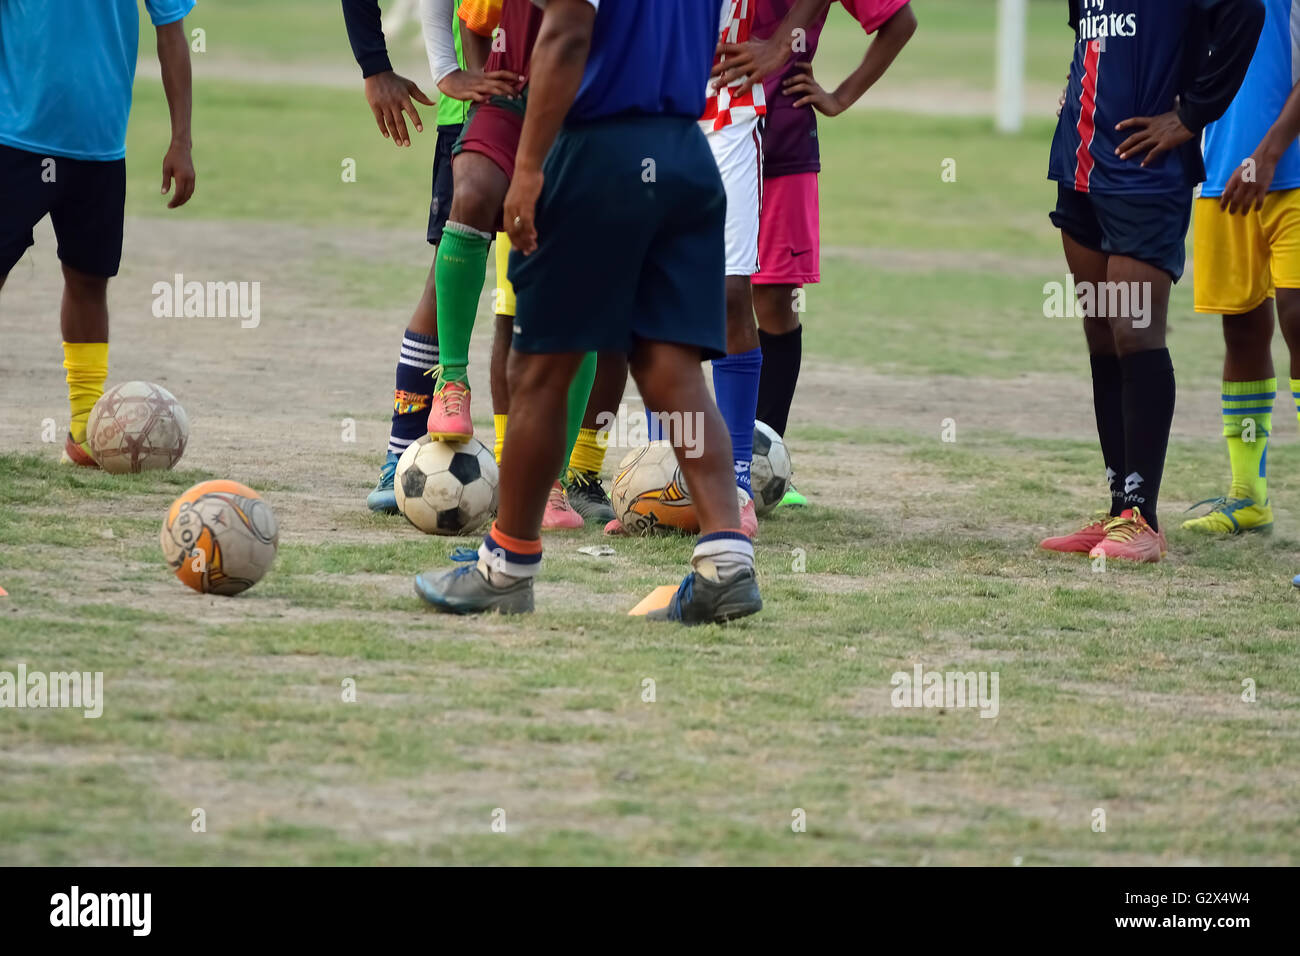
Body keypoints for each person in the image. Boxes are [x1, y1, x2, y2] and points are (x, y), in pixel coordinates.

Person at [415, 0, 762, 624]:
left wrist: (526, 168)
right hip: (685, 153)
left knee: (541, 370)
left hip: (600, 152)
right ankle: (726, 565)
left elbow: (569, 28)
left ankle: (505, 567)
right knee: (669, 369)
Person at [1039, 0, 1264, 564]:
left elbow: (1246, 13)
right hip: (1081, 163)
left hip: (1144, 171)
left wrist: (1191, 116)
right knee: (1101, 333)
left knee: (1137, 332)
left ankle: (1144, 518)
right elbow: (1089, 33)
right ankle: (1119, 508)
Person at [718, 0, 916, 509]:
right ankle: (690, 461)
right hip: (707, 132)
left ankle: (763, 464)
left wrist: (839, 96)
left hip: (782, 145)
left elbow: (900, 21)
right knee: (706, 296)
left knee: (772, 302)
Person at [0, 0, 196, 466]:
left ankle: (84, 427)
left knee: (89, 280)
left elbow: (171, 34)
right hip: (12, 138)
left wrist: (181, 140)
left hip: (100, 147)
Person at [341, 0, 517, 512]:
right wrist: (433, 69)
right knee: (444, 284)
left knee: (534, 294)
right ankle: (402, 457)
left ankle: (549, 473)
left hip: (562, 122)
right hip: (471, 119)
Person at [1180, 0, 1300, 539]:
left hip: (1289, 171)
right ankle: (1248, 495)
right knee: (1243, 330)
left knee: (1299, 319)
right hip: (1222, 174)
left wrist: (1270, 153)